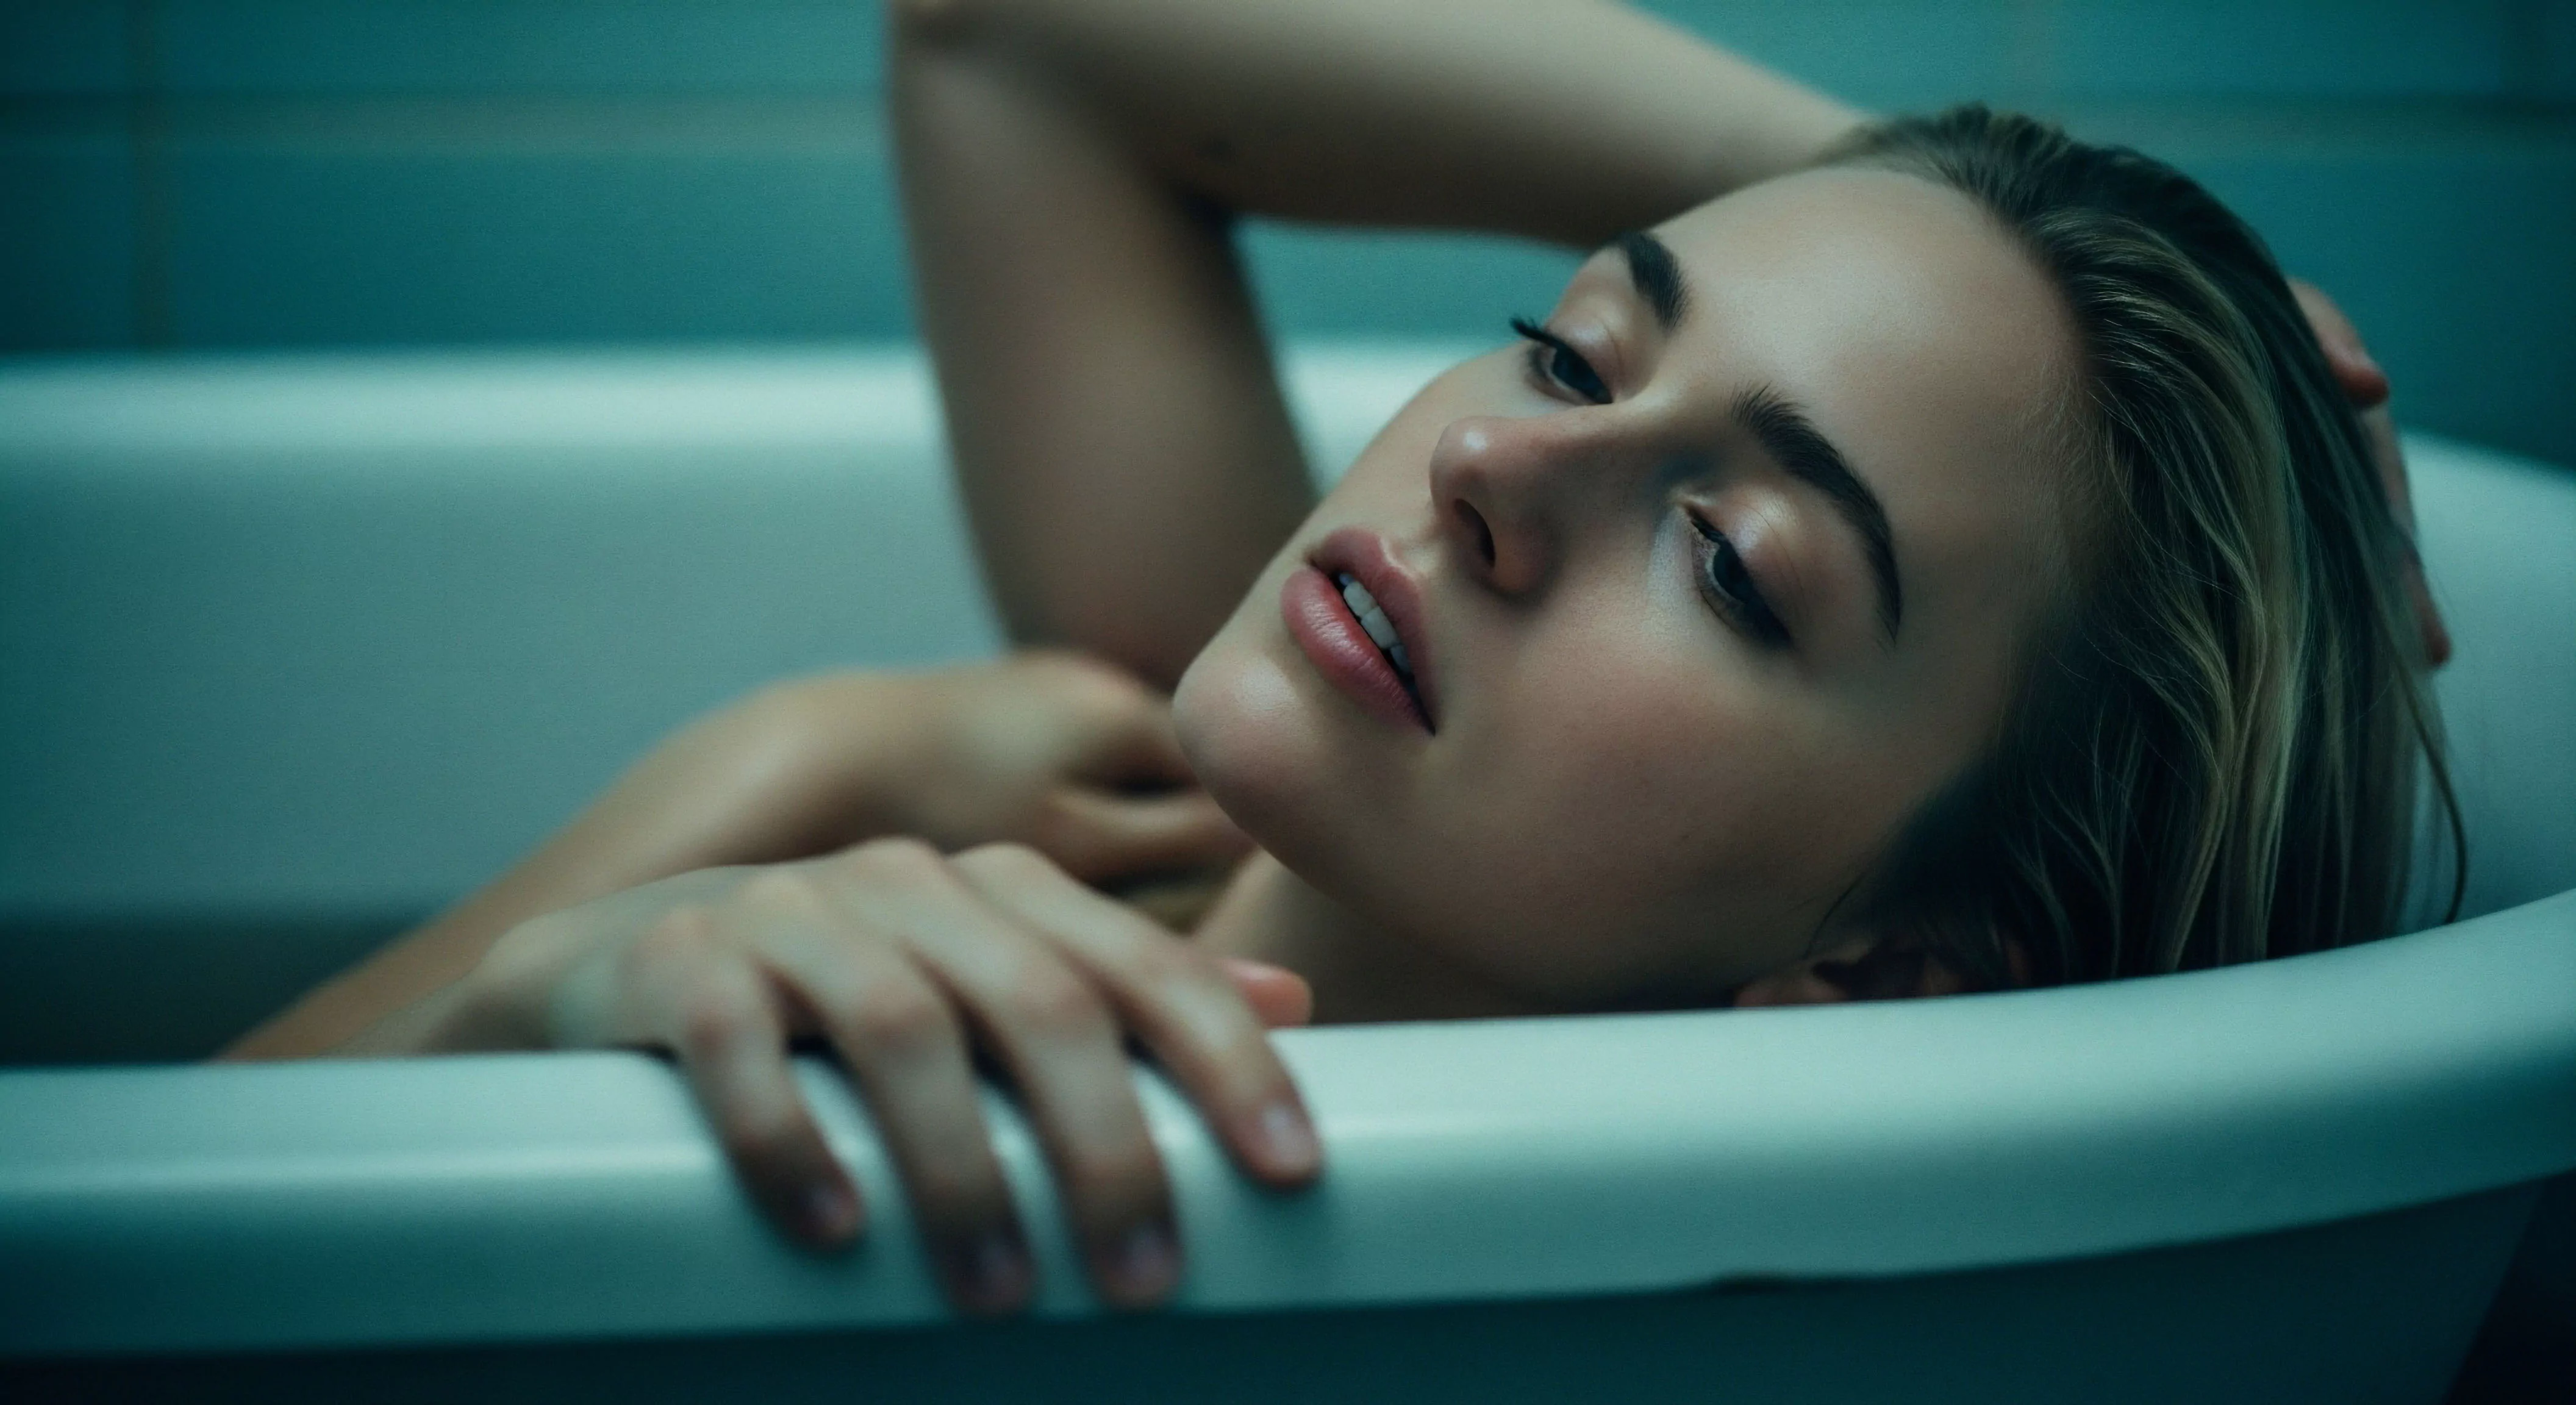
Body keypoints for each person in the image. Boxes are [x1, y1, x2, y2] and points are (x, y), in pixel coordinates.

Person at [230, 0, 2460, 1318]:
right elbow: (1021, 35)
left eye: (1732, 563)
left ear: (1895, 964)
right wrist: (1919, 199)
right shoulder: (1108, 766)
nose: (1487, 459)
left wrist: (544, 1003)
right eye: (1575, 355)